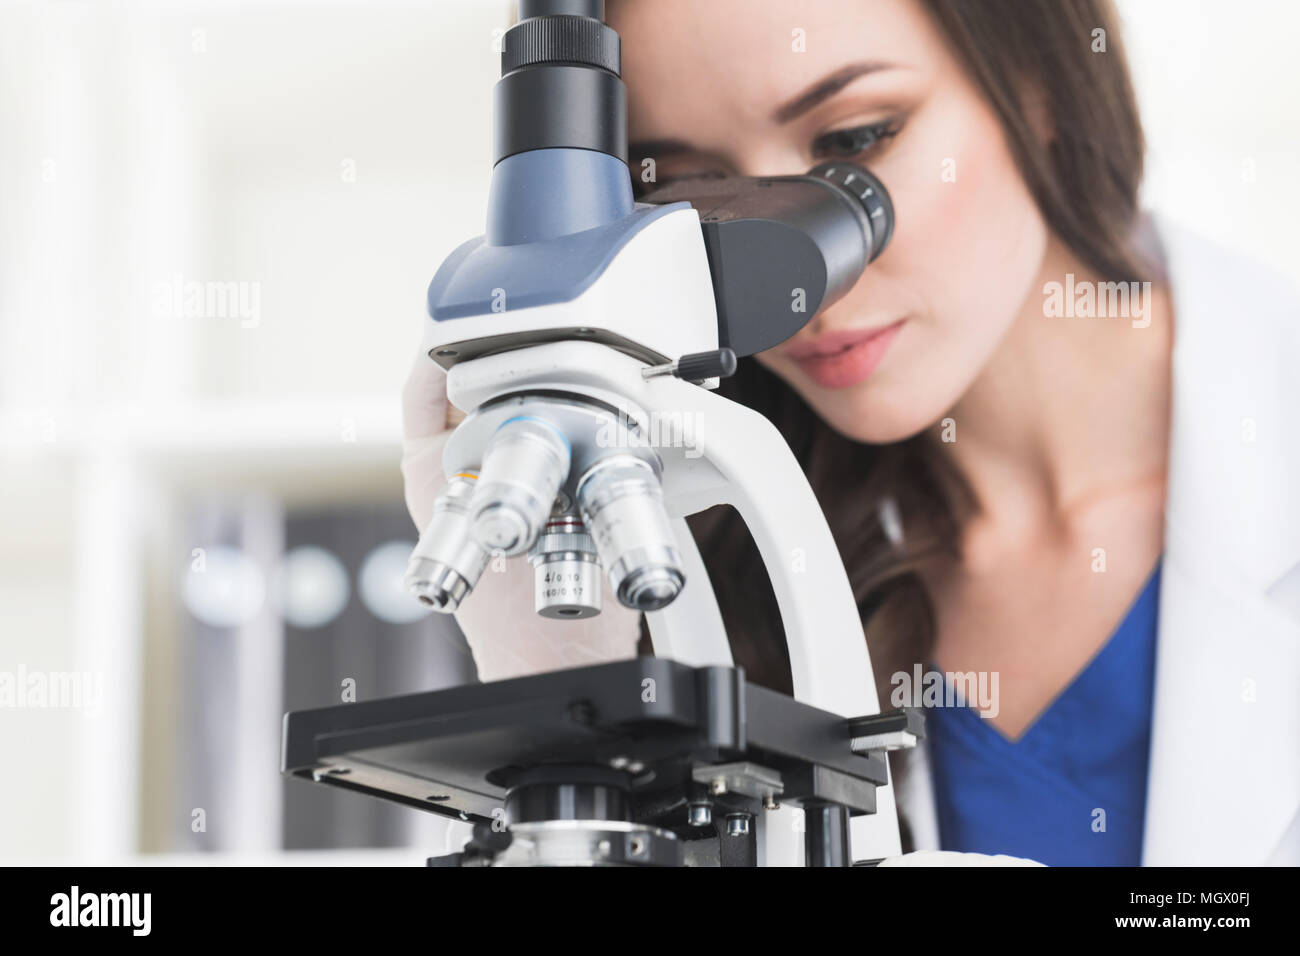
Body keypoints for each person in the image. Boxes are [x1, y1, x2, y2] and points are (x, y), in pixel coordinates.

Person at [402, 0, 1300, 865]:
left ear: (1042, 85)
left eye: (855, 142)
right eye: (689, 188)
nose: (802, 281)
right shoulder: (717, 538)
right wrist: (558, 695)